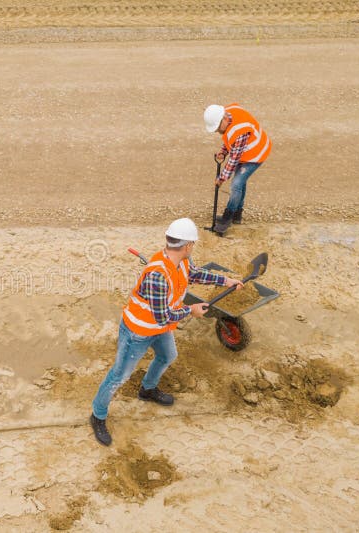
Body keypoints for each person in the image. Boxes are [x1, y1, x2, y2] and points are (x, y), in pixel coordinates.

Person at [89, 218, 243, 446]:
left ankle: (147, 389)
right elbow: (163, 315)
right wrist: (191, 311)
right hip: (138, 332)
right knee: (119, 376)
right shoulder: (158, 275)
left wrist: (226, 281)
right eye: (193, 244)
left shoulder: (180, 262)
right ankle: (98, 415)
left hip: (160, 327)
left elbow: (196, 274)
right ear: (188, 245)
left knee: (168, 356)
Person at [203, 103, 272, 234]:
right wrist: (223, 152)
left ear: (223, 119)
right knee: (240, 183)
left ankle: (228, 217)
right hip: (244, 152)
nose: (218, 131)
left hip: (256, 154)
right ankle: (237, 215)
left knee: (236, 184)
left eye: (217, 128)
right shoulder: (227, 116)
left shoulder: (240, 131)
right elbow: (230, 140)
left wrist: (222, 178)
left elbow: (234, 157)